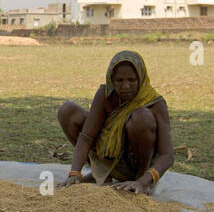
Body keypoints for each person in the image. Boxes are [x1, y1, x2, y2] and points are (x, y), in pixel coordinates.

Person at [56, 50, 174, 193]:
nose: (125, 86)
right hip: (108, 159)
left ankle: (139, 180)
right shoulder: (105, 95)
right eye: (119, 80)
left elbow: (167, 155)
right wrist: (75, 173)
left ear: (141, 79)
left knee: (141, 116)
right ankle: (100, 173)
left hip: (137, 165)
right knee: (67, 110)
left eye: (132, 80)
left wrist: (144, 181)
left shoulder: (155, 103)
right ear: (111, 79)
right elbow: (87, 137)